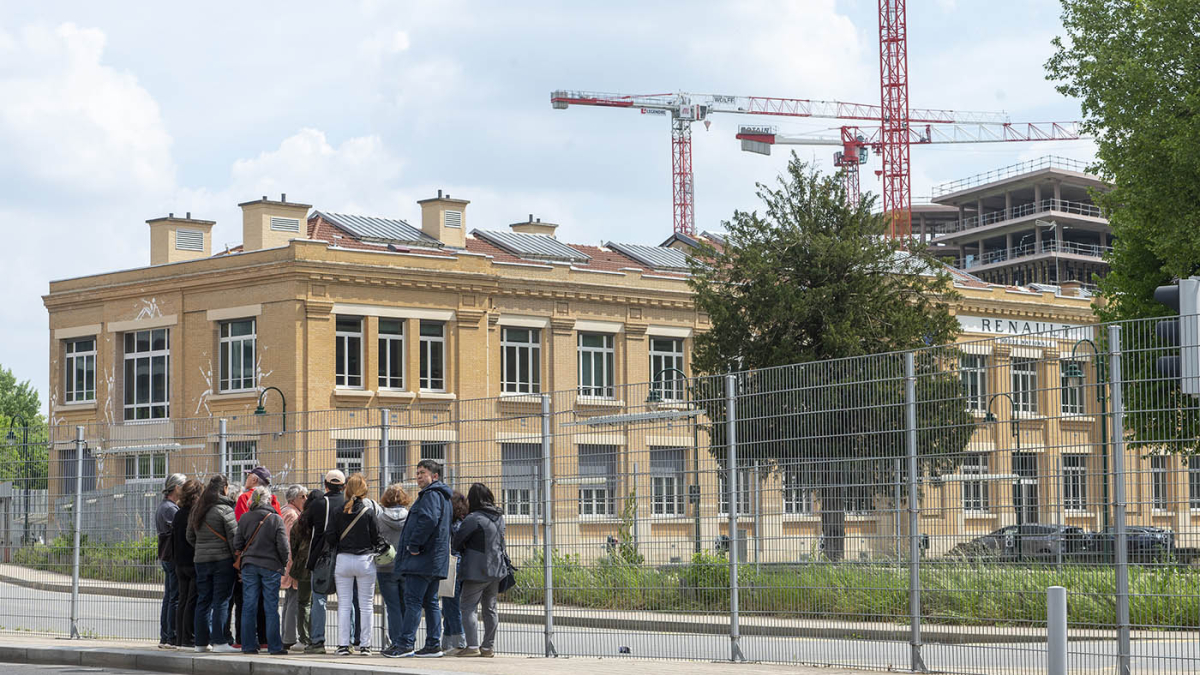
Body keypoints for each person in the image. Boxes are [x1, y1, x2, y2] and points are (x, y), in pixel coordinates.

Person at [386, 459, 453, 659]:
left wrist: (414, 545)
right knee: (430, 601)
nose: (418, 477)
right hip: (433, 560)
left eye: (423, 473)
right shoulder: (442, 496)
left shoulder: (431, 495)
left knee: (413, 601)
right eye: (417, 473)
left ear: (435, 476)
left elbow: (429, 520)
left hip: (422, 559)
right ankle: (433, 645)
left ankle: (405, 644)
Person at [326, 474, 387, 656]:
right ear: (364, 491)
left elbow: (330, 537)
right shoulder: (368, 512)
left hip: (343, 560)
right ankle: (365, 646)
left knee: (344, 605)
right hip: (364, 561)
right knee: (366, 605)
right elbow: (377, 538)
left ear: (346, 489)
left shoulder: (338, 511)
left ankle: (343, 645)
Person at [452, 483, 508, 658]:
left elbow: (457, 542)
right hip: (496, 569)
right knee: (490, 608)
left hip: (476, 570)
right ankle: (488, 647)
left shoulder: (473, 518)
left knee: (468, 607)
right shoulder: (499, 517)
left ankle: (472, 646)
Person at [186, 474, 239, 653]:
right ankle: (219, 642)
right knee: (221, 601)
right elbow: (234, 539)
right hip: (222, 561)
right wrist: (236, 559)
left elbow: (189, 536)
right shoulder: (225, 509)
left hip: (201, 561)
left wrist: (202, 547)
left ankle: (200, 643)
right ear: (224, 488)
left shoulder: (197, 509)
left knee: (203, 600)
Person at [235, 485, 290, 655]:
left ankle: (248, 645)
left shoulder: (244, 518)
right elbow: (283, 546)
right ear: (268, 500)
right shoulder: (275, 519)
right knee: (271, 606)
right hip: (271, 566)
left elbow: (237, 544)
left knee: (249, 605)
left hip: (249, 565)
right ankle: (274, 646)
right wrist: (283, 562)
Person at [300, 469, 346, 654]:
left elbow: (307, 523)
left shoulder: (319, 503)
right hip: (344, 555)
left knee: (319, 599)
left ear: (325, 485)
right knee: (346, 600)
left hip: (321, 556)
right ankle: (348, 641)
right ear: (343, 486)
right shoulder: (348, 502)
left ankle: (317, 642)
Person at [232, 467, 279, 648]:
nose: (246, 479)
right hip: (270, 560)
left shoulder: (244, 498)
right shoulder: (273, 500)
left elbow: (239, 530)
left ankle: (245, 642)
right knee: (269, 602)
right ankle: (267, 640)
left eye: (248, 476)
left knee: (246, 602)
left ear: (254, 479)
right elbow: (279, 530)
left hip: (249, 558)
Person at [374, 483, 411, 655]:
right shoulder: (410, 517)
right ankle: (407, 641)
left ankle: (396, 642)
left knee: (393, 607)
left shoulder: (380, 518)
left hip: (385, 566)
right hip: (405, 565)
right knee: (407, 605)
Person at [172, 478, 203, 649]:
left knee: (183, 600)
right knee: (192, 600)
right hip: (192, 561)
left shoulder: (178, 514)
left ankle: (180, 638)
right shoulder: (194, 514)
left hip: (180, 562)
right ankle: (188, 638)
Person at [156, 473, 185, 649]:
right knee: (174, 596)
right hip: (172, 556)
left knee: (169, 596)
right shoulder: (170, 509)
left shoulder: (165, 506)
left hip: (166, 555)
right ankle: (171, 636)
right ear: (176, 488)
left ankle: (165, 636)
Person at [279, 484, 308, 651]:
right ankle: (289, 637)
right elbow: (290, 542)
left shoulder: (286, 511)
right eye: (302, 496)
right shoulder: (292, 514)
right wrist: (293, 565)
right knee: (293, 600)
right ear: (293, 499)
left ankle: (286, 636)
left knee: (290, 599)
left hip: (287, 563)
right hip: (292, 564)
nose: (305, 499)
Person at [441, 492, 469, 655]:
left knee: (451, 605)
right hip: (462, 564)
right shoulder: (464, 522)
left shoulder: (452, 524)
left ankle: (459, 642)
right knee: (450, 605)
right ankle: (447, 642)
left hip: (452, 564)